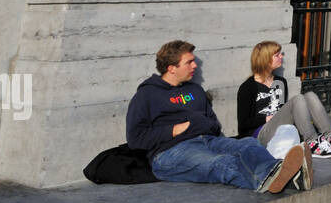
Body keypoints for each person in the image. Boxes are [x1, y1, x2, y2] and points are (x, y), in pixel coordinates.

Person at [127, 41, 310, 193]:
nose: (195, 66)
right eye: (189, 62)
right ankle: (285, 177)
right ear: (171, 68)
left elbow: (213, 122)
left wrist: (205, 125)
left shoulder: (194, 90)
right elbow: (136, 139)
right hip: (170, 153)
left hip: (207, 140)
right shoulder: (147, 95)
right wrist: (174, 130)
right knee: (221, 163)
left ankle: (280, 176)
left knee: (247, 144)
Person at [237, 42, 331, 159]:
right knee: (298, 98)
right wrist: (266, 118)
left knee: (310, 95)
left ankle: (330, 135)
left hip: (280, 130)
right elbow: (243, 124)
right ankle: (311, 142)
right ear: (265, 59)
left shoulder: (280, 82)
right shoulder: (247, 87)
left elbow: (283, 110)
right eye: (277, 55)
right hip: (260, 135)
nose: (281, 57)